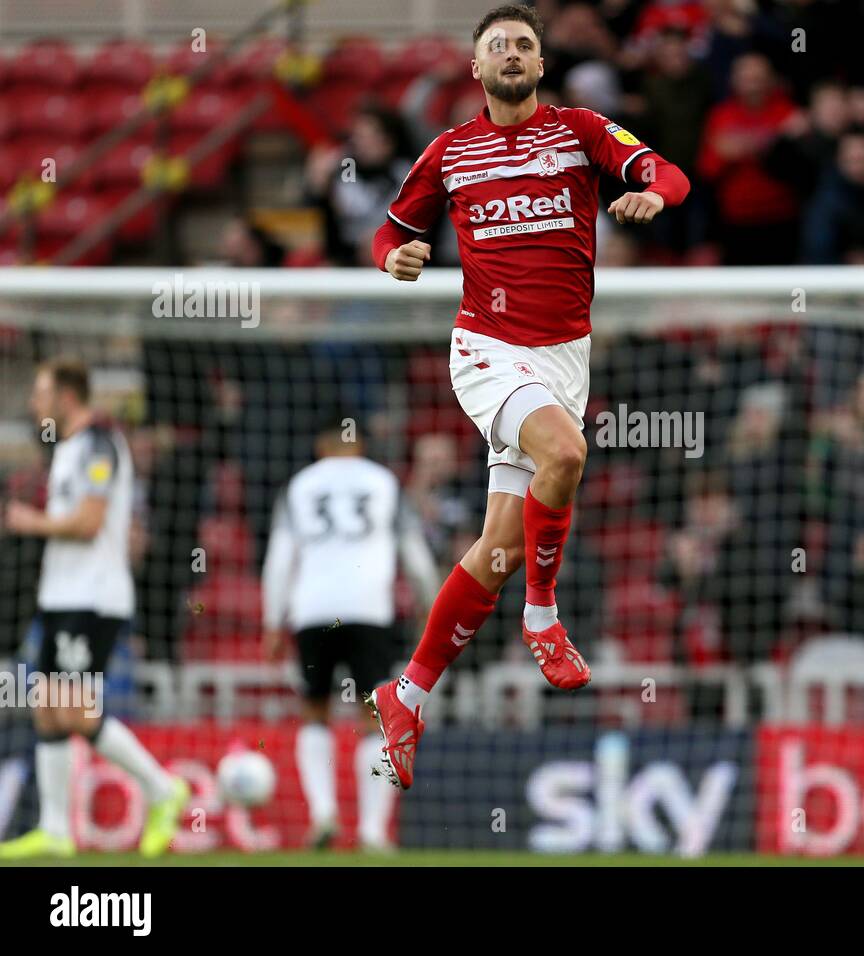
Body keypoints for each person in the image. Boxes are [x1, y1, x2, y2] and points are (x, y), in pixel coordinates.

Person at [365, 4, 689, 789]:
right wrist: (393, 258)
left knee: (499, 550)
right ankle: (543, 618)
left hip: (564, 360)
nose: (511, 53)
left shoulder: (579, 130)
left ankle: (405, 693)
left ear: (541, 66)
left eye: (525, 45)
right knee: (568, 453)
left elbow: (666, 172)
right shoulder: (448, 152)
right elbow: (388, 231)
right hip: (487, 349)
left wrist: (654, 194)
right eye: (496, 46)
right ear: (475, 70)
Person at [0, 358, 189, 860]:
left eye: (41, 393)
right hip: (62, 596)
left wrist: (28, 521)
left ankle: (163, 789)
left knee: (75, 711)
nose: (34, 403)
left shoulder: (101, 446)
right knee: (45, 709)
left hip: (93, 597)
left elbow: (87, 523)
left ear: (66, 396)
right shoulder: (67, 450)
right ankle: (56, 830)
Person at [262, 414, 438, 848]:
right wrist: (430, 603)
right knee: (375, 718)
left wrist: (272, 620)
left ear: (321, 445)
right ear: (359, 443)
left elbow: (280, 558)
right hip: (368, 609)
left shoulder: (299, 486)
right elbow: (413, 553)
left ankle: (322, 815)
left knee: (315, 712)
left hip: (312, 610)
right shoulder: (384, 482)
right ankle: (373, 831)